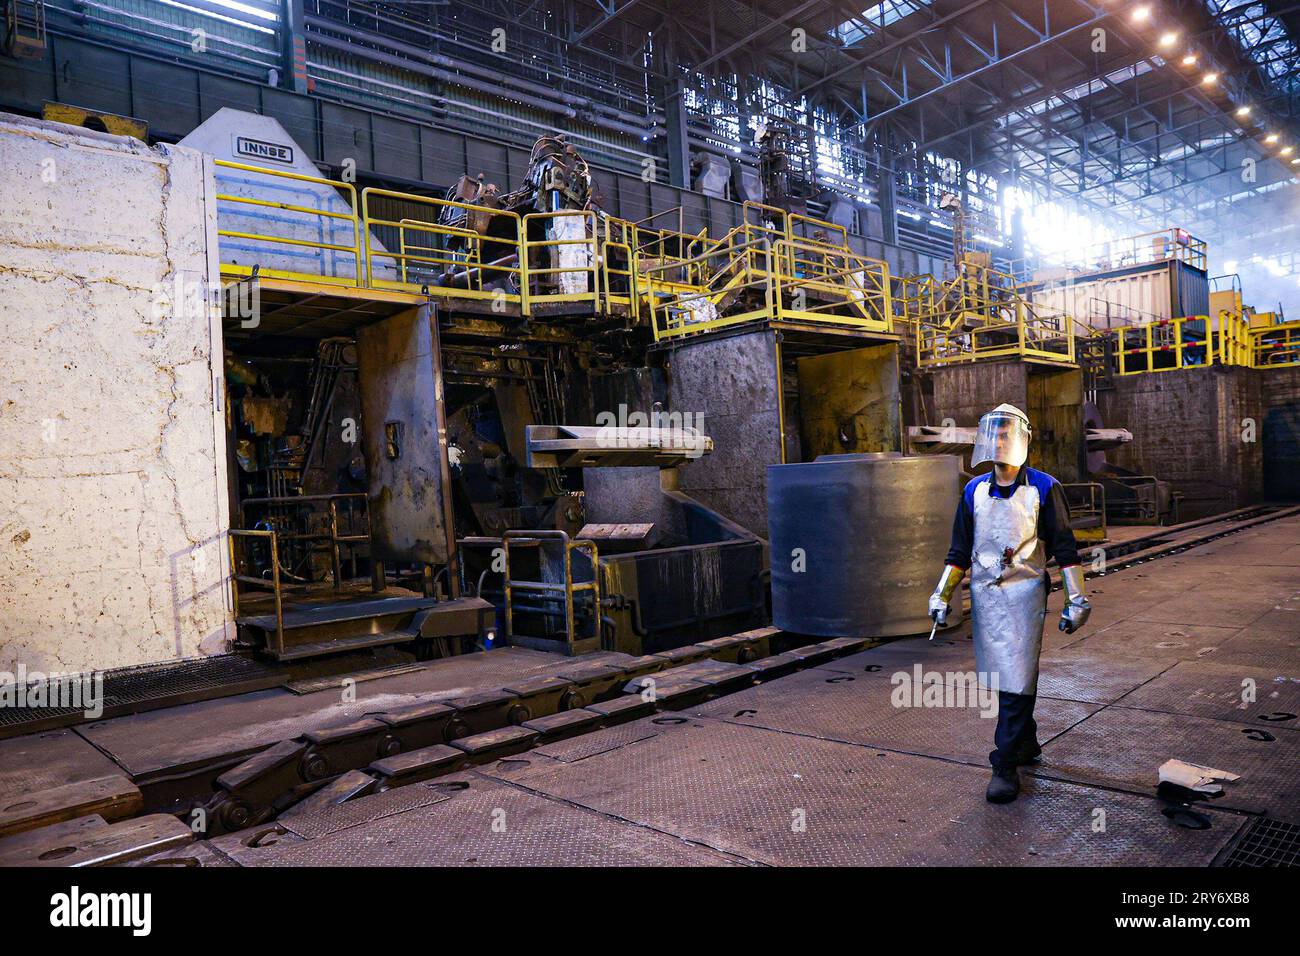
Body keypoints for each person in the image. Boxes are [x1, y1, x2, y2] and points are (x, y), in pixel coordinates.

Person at [927, 404, 1091, 803]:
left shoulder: (1044, 488)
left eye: (1006, 434)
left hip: (1024, 596)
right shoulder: (973, 491)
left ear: (1020, 439)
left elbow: (1065, 548)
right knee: (1002, 675)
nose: (999, 441)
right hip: (985, 597)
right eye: (993, 434)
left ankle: (1004, 765)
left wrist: (1077, 598)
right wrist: (942, 594)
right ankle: (1027, 741)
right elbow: (959, 551)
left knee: (1016, 675)